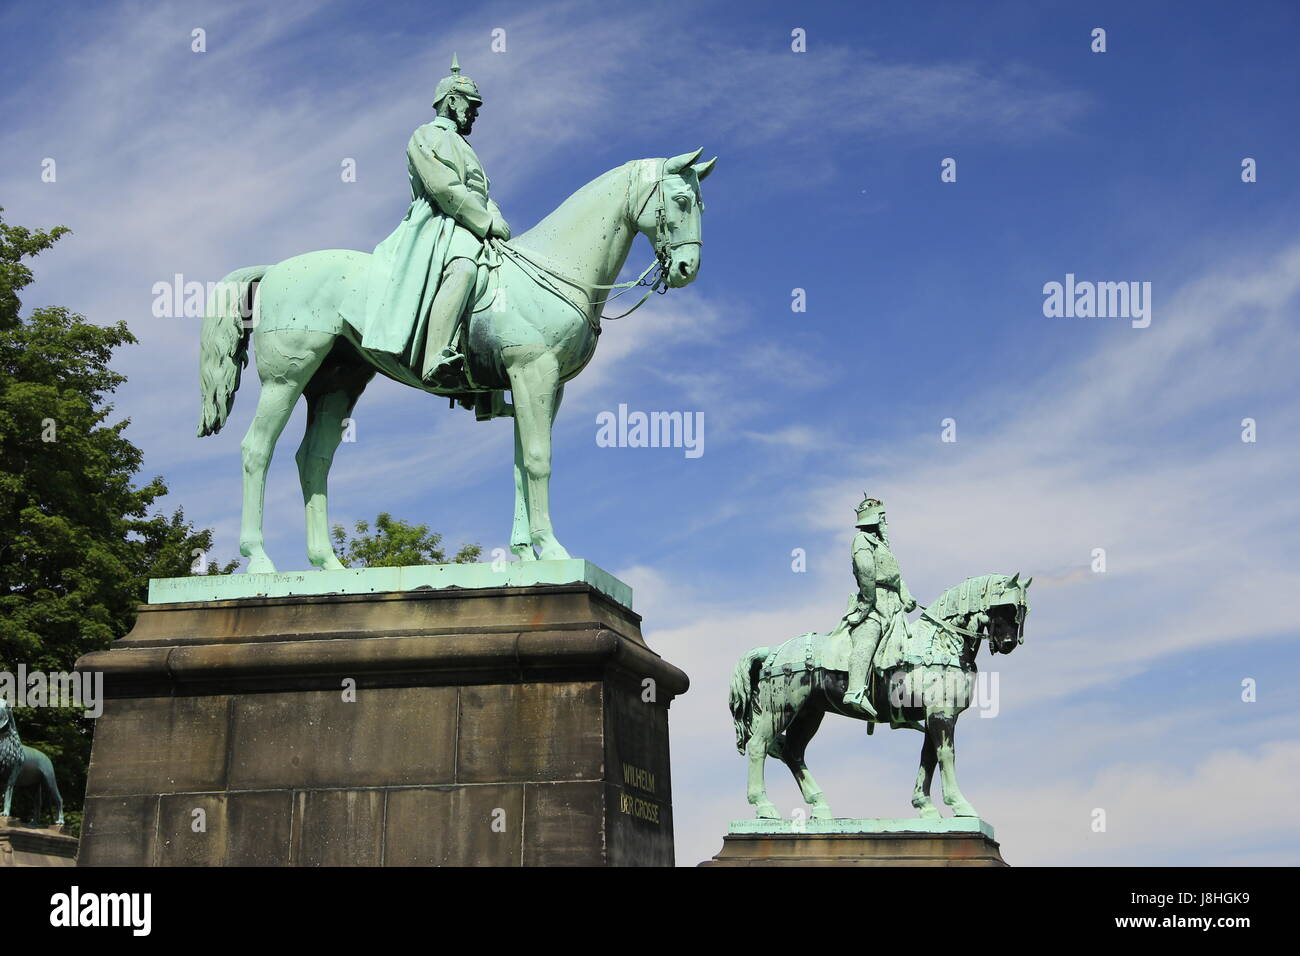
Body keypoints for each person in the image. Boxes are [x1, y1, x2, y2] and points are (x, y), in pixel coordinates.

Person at [841, 495, 918, 717]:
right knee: (868, 638)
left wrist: (906, 595)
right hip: (874, 604)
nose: (885, 521)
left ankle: (899, 710)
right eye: (882, 517)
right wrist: (867, 602)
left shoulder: (882, 545)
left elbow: (895, 576)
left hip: (893, 607)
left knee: (904, 652)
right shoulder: (862, 540)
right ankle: (855, 691)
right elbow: (866, 572)